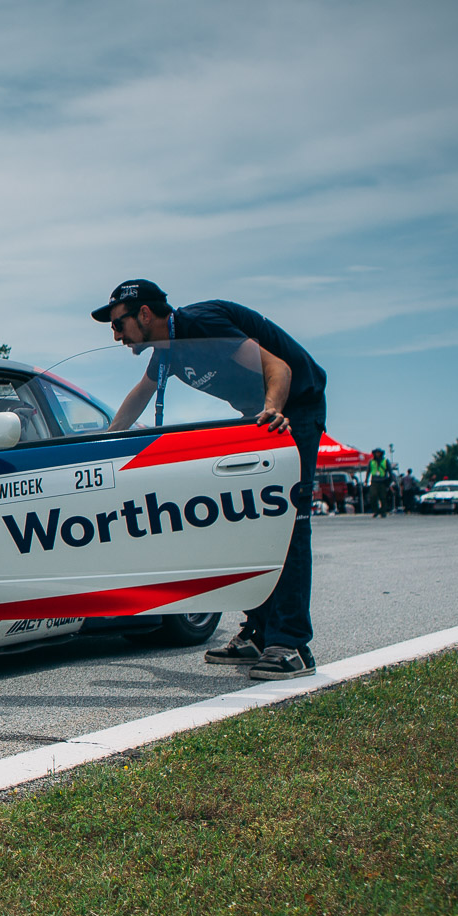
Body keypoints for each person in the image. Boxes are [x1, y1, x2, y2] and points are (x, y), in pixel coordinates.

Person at [94, 279, 327, 681]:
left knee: (287, 522)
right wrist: (104, 443)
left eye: (119, 324)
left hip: (293, 408)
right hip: (257, 417)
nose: (116, 335)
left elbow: (279, 368)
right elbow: (139, 396)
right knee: (246, 524)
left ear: (145, 314)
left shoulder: (200, 326)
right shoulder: (166, 353)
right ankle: (257, 632)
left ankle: (291, 644)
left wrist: (272, 409)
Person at [366, 448, 392, 518]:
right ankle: (375, 511)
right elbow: (368, 471)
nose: (377, 454)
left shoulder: (385, 461)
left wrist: (390, 481)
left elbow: (390, 471)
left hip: (383, 481)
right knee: (373, 497)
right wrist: (366, 480)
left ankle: (383, 512)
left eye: (379, 453)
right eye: (376, 453)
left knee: (383, 497)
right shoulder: (371, 462)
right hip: (374, 481)